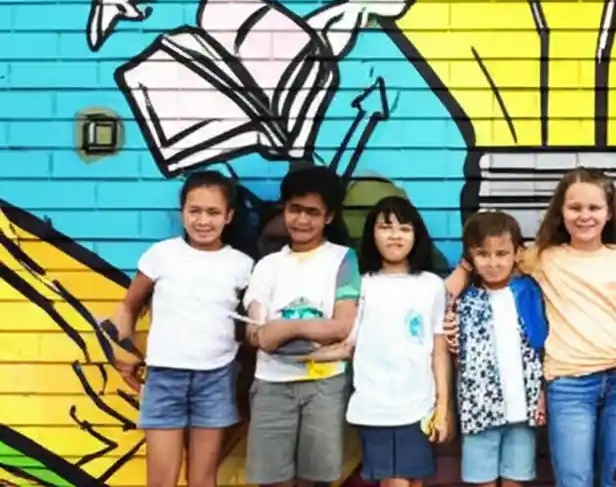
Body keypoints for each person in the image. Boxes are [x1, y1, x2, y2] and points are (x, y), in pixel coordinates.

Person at [445, 168, 616, 487]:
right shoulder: (542, 257)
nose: (584, 216)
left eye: (594, 208)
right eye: (575, 208)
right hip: (569, 385)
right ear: (560, 212)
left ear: (609, 212)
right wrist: (454, 298)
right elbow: (492, 260)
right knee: (574, 479)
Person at [105, 171, 253, 487]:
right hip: (163, 377)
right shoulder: (162, 255)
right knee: (161, 480)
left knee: (203, 479)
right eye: (194, 211)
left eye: (213, 212)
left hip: (216, 377)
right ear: (182, 212)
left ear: (229, 216)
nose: (203, 220)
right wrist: (123, 350)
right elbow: (128, 306)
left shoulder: (242, 265)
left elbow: (252, 321)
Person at [302, 196, 450, 486]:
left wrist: (443, 408)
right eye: (386, 227)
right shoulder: (362, 284)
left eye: (404, 228)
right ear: (372, 234)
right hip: (376, 408)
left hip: (420, 407)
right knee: (394, 482)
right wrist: (294, 352)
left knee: (413, 481)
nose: (395, 235)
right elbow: (347, 344)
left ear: (416, 236)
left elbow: (439, 352)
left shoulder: (431, 285)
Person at [242, 166, 361, 487]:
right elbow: (255, 332)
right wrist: (303, 334)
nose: (302, 220)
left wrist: (283, 329)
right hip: (271, 384)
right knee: (271, 479)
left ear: (329, 217)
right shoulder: (267, 266)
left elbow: (342, 325)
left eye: (313, 212)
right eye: (295, 209)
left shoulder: (344, 260)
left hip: (325, 387)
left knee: (317, 480)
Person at [453, 210, 548, 487]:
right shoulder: (466, 299)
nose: (493, 263)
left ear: (517, 253)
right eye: (483, 254)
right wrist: (462, 272)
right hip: (479, 410)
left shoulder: (530, 291)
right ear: (470, 257)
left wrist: (541, 391)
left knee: (515, 479)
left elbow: (540, 346)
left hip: (523, 409)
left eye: (502, 253)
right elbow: (438, 302)